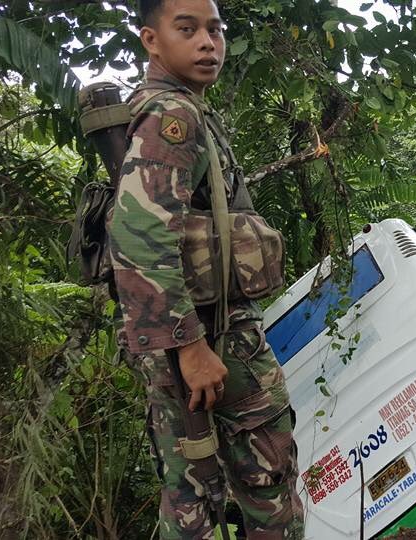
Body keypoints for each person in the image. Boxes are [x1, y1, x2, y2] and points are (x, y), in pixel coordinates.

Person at [107, 0, 303, 537]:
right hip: (210, 336)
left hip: (186, 334)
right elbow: (138, 236)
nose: (207, 43)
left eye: (215, 30)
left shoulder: (170, 107)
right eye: (187, 29)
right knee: (268, 485)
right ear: (151, 39)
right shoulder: (174, 115)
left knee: (191, 495)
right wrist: (190, 347)